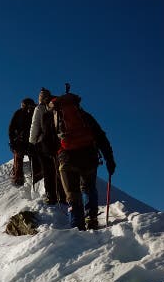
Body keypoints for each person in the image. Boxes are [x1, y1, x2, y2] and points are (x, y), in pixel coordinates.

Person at [48, 93, 115, 230]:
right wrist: (109, 159)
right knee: (89, 188)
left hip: (67, 159)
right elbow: (101, 137)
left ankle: (77, 227)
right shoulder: (85, 116)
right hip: (89, 156)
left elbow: (49, 143)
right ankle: (91, 218)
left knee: (72, 193)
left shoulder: (55, 119)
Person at [28, 88, 65, 204]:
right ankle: (62, 195)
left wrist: (32, 142)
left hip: (44, 143)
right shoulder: (59, 105)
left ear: (40, 98)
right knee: (59, 168)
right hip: (60, 142)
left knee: (47, 170)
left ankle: (51, 196)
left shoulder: (39, 108)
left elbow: (35, 125)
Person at [8, 98, 38, 186]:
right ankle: (36, 177)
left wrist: (12, 141)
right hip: (31, 141)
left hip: (20, 142)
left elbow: (11, 128)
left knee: (18, 158)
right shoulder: (35, 112)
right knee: (33, 159)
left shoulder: (19, 113)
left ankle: (18, 179)